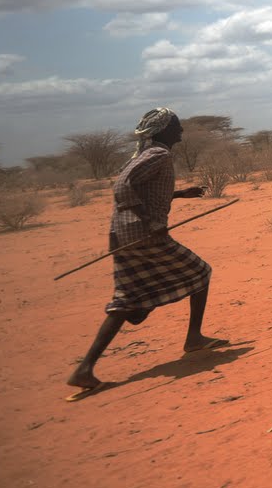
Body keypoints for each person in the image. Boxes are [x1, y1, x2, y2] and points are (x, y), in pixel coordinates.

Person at [66, 108, 226, 401]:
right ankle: (193, 337)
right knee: (200, 272)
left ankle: (85, 369)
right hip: (142, 234)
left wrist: (180, 194)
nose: (180, 130)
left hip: (124, 234)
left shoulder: (148, 154)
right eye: (176, 125)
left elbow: (144, 190)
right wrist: (150, 223)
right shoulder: (158, 155)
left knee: (126, 299)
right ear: (163, 130)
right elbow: (122, 188)